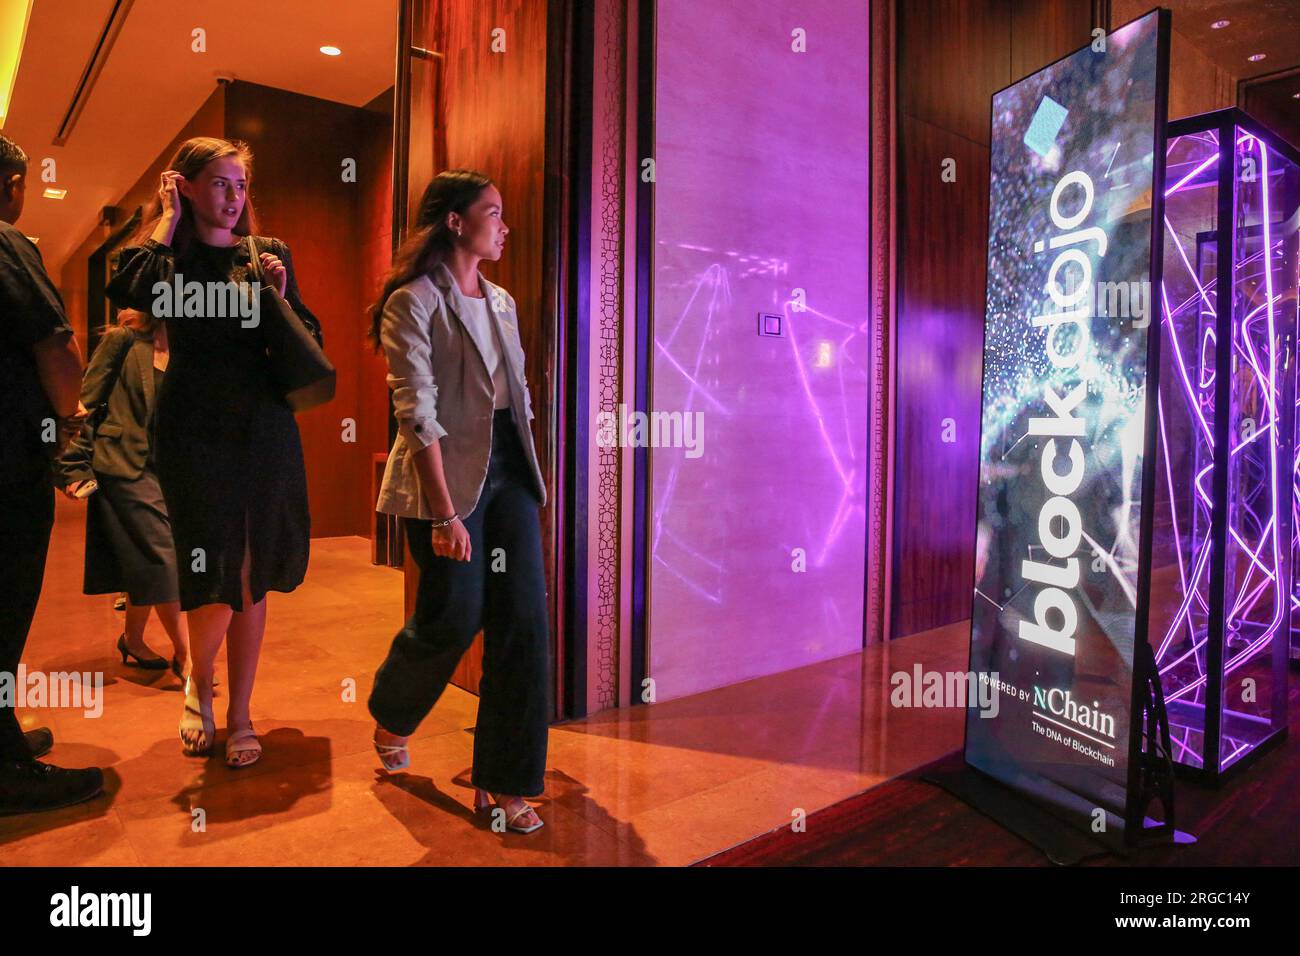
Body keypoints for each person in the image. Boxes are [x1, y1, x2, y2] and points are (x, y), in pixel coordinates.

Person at [106, 137, 321, 768]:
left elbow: (311, 338)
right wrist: (167, 219)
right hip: (195, 430)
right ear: (188, 187)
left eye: (241, 185)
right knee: (210, 570)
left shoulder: (267, 256)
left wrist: (279, 299)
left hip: (264, 428)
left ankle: (241, 712)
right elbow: (125, 285)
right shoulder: (168, 262)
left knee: (251, 572)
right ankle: (198, 689)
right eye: (220, 183)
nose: (233, 197)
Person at [368, 170, 550, 834]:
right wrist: (446, 513)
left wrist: (529, 472)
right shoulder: (412, 302)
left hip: (508, 470)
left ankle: (505, 780)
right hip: (443, 475)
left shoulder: (500, 300)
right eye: (492, 213)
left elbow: (516, 394)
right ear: (454, 221)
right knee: (455, 615)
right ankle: (392, 711)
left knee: (524, 621)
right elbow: (417, 411)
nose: (503, 226)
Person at [0, 133, 105, 814]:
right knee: (4, 611)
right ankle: (6, 775)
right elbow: (57, 345)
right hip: (6, 462)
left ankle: (3, 735)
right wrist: (73, 418)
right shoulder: (9, 245)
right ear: (11, 185)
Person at [56, 308, 195, 683]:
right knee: (163, 554)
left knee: (145, 555)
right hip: (121, 462)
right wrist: (73, 466)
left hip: (167, 470)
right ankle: (188, 656)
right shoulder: (123, 340)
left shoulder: (189, 347)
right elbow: (86, 402)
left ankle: (132, 638)